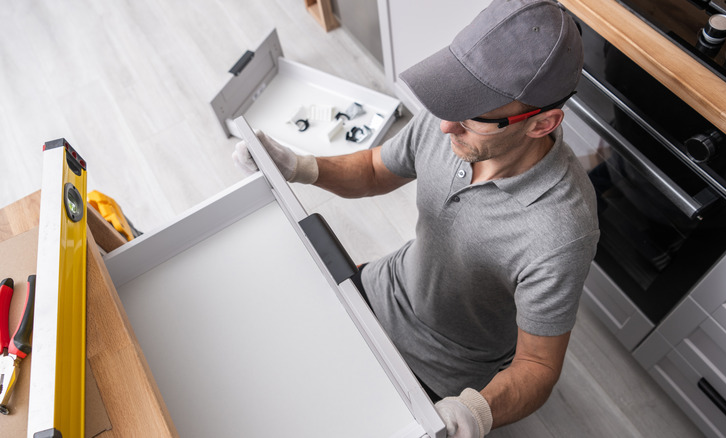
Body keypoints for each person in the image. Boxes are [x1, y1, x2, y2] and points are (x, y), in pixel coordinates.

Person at [233, 1, 599, 436]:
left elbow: (537, 365)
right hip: (382, 290)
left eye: (475, 117)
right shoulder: (456, 113)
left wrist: (474, 412)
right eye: (454, 101)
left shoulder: (561, 232)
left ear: (542, 124)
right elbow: (373, 170)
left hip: (445, 373)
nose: (446, 128)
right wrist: (300, 166)